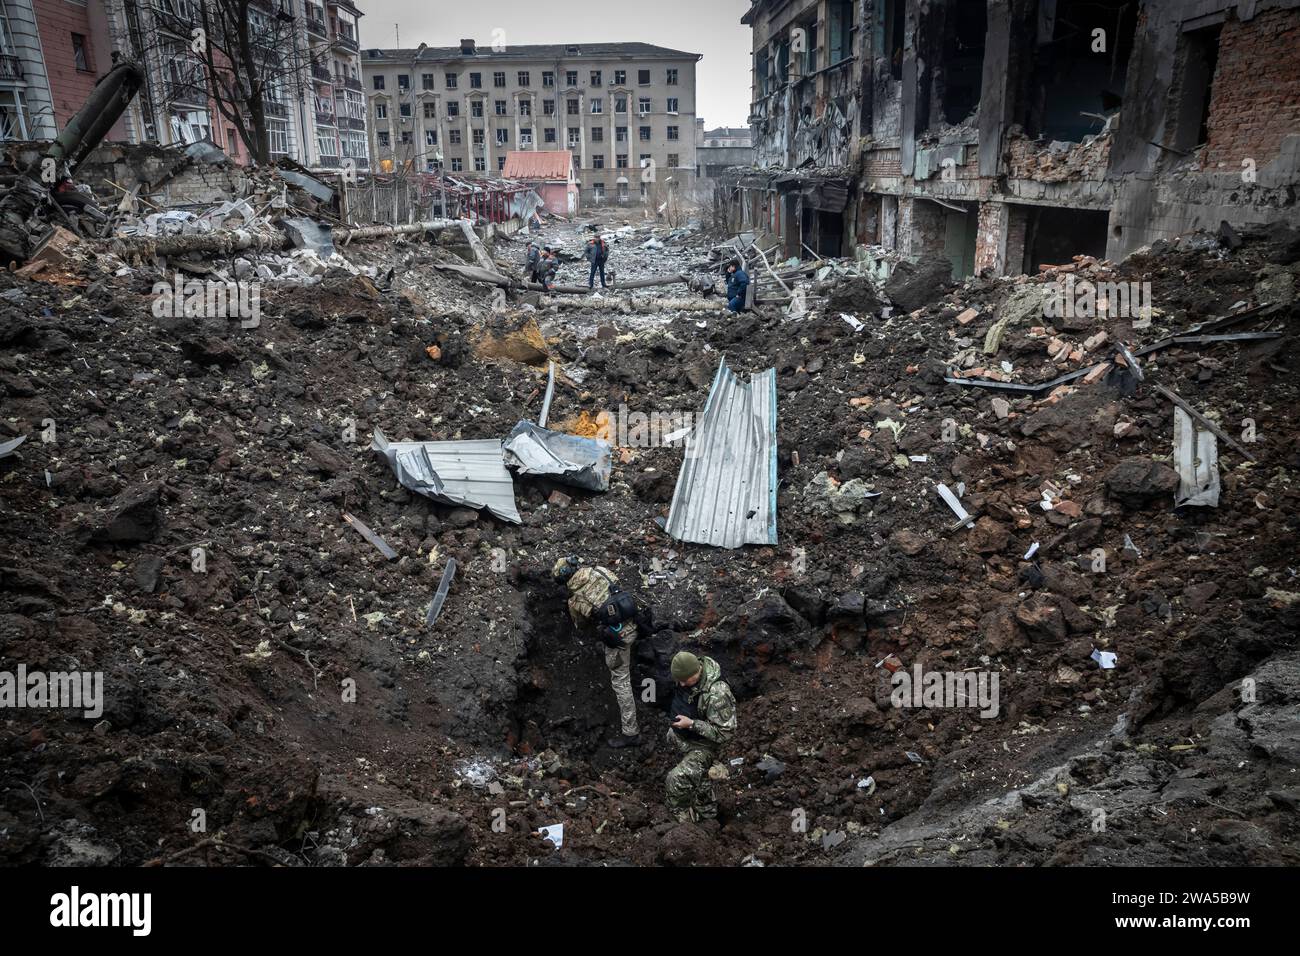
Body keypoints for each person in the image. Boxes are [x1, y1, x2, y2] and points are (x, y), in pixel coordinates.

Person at [553, 556, 640, 748]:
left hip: (620, 638)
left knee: (621, 681)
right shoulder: (601, 570)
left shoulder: (575, 601)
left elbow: (581, 626)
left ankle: (631, 733)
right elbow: (618, 586)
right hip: (638, 622)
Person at [665, 652, 736, 823]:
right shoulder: (687, 675)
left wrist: (691, 724)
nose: (681, 684)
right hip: (684, 738)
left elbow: (725, 733)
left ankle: (684, 819)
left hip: (706, 745)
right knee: (699, 781)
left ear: (696, 672)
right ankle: (703, 798)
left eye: (684, 680)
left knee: (676, 779)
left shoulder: (717, 694)